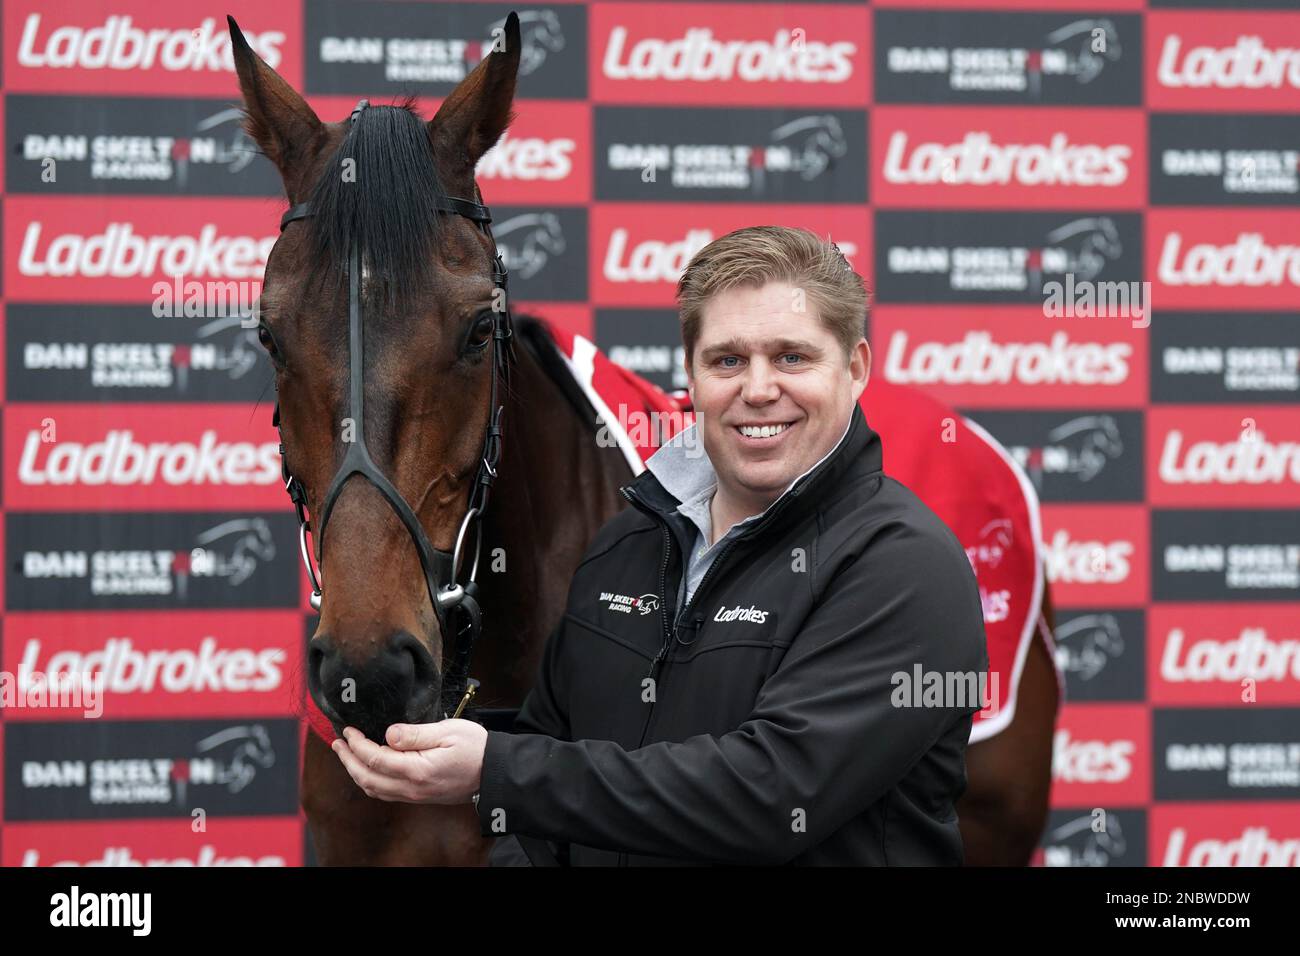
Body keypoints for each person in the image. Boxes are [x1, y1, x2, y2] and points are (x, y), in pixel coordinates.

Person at [331, 225, 989, 865]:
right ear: (692, 377)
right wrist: (455, 756)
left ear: (856, 367)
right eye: (727, 360)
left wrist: (493, 767)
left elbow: (769, 796)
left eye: (792, 356)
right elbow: (549, 762)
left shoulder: (905, 565)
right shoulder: (629, 543)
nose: (758, 390)